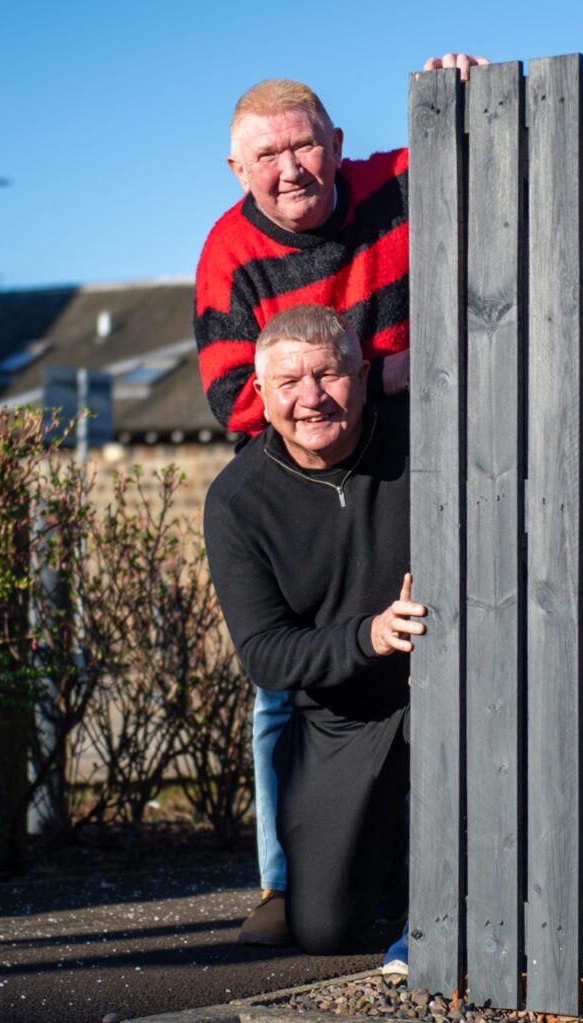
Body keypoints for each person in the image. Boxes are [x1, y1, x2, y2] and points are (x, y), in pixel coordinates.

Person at [193, 56, 485, 950]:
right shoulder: (230, 254)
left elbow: (487, 150)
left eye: (306, 145)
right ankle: (284, 880)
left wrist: (470, 91)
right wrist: (384, 373)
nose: (291, 169)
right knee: (283, 692)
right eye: (268, 156)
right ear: (238, 171)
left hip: (402, 455)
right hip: (301, 470)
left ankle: (441, 868)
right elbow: (234, 400)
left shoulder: (391, 181)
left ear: (338, 146)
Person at [203, 305, 426, 960]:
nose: (310, 397)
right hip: (339, 717)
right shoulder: (237, 500)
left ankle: (435, 911)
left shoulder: (424, 441)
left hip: (439, 690)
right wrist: (372, 636)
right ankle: (383, 871)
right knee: (325, 929)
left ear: (362, 374)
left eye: (328, 374)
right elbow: (266, 655)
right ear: (260, 393)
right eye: (289, 382)